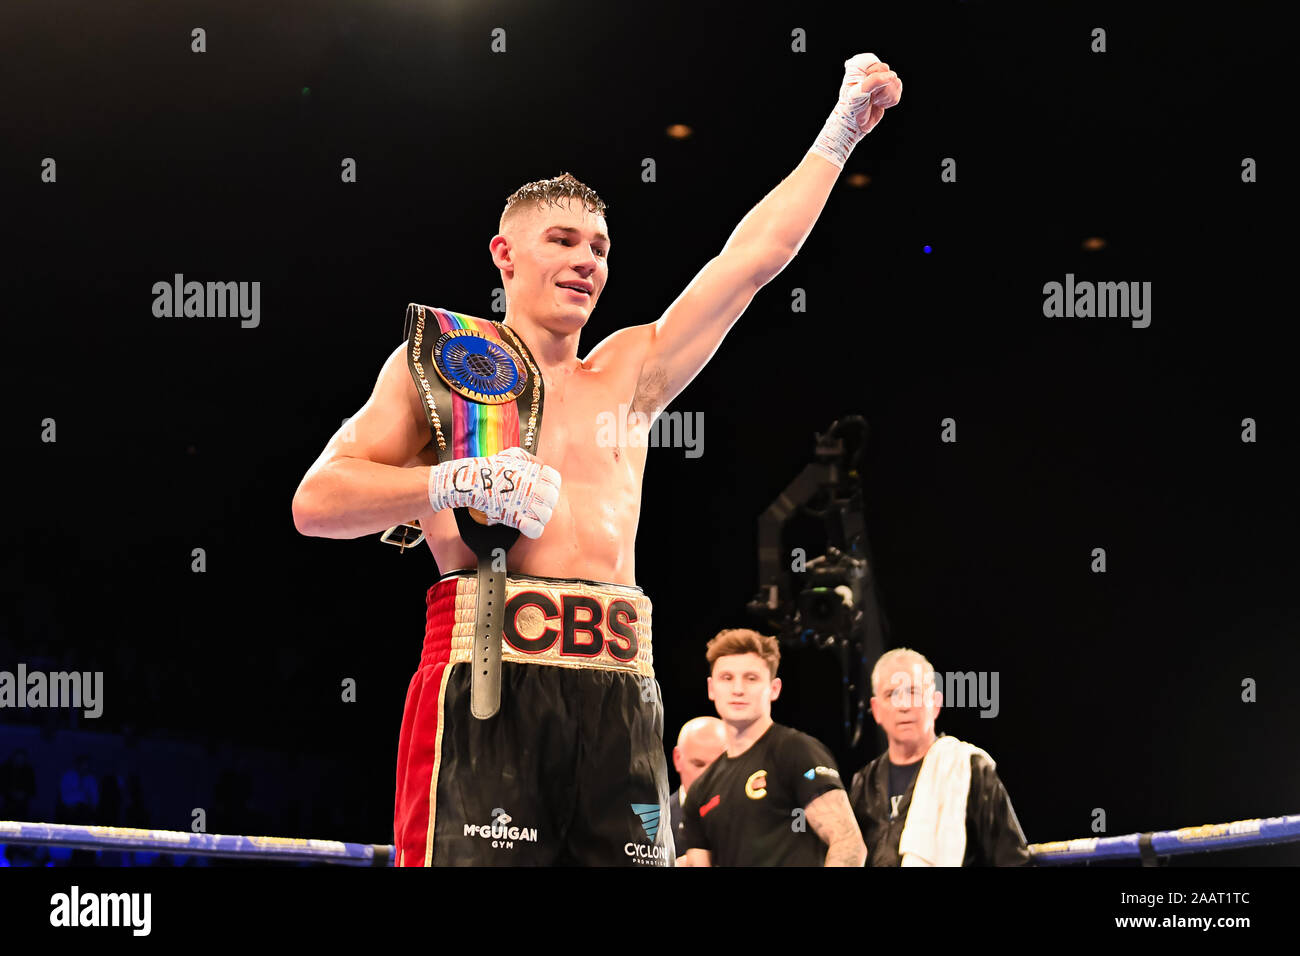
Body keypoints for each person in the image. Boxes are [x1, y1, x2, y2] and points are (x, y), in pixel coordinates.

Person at [292, 54, 902, 867]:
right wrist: (452, 479)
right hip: (487, 684)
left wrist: (839, 133)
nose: (588, 260)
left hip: (619, 690)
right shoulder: (442, 365)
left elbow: (749, 263)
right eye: (564, 240)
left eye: (602, 247)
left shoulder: (630, 372)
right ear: (504, 255)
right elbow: (316, 502)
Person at [680, 629, 866, 866]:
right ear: (711, 688)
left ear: (774, 688)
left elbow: (848, 843)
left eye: (751, 678)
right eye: (727, 678)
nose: (738, 689)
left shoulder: (795, 751)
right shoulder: (701, 790)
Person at [848, 648, 1030, 866]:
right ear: (876, 709)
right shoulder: (864, 783)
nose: (904, 705)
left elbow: (1012, 859)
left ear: (935, 703)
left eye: (913, 692)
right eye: (891, 694)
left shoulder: (968, 769)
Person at [669, 716, 726, 863]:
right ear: (677, 759)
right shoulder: (651, 823)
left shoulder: (752, 818)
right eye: (698, 764)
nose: (706, 778)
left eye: (717, 767)